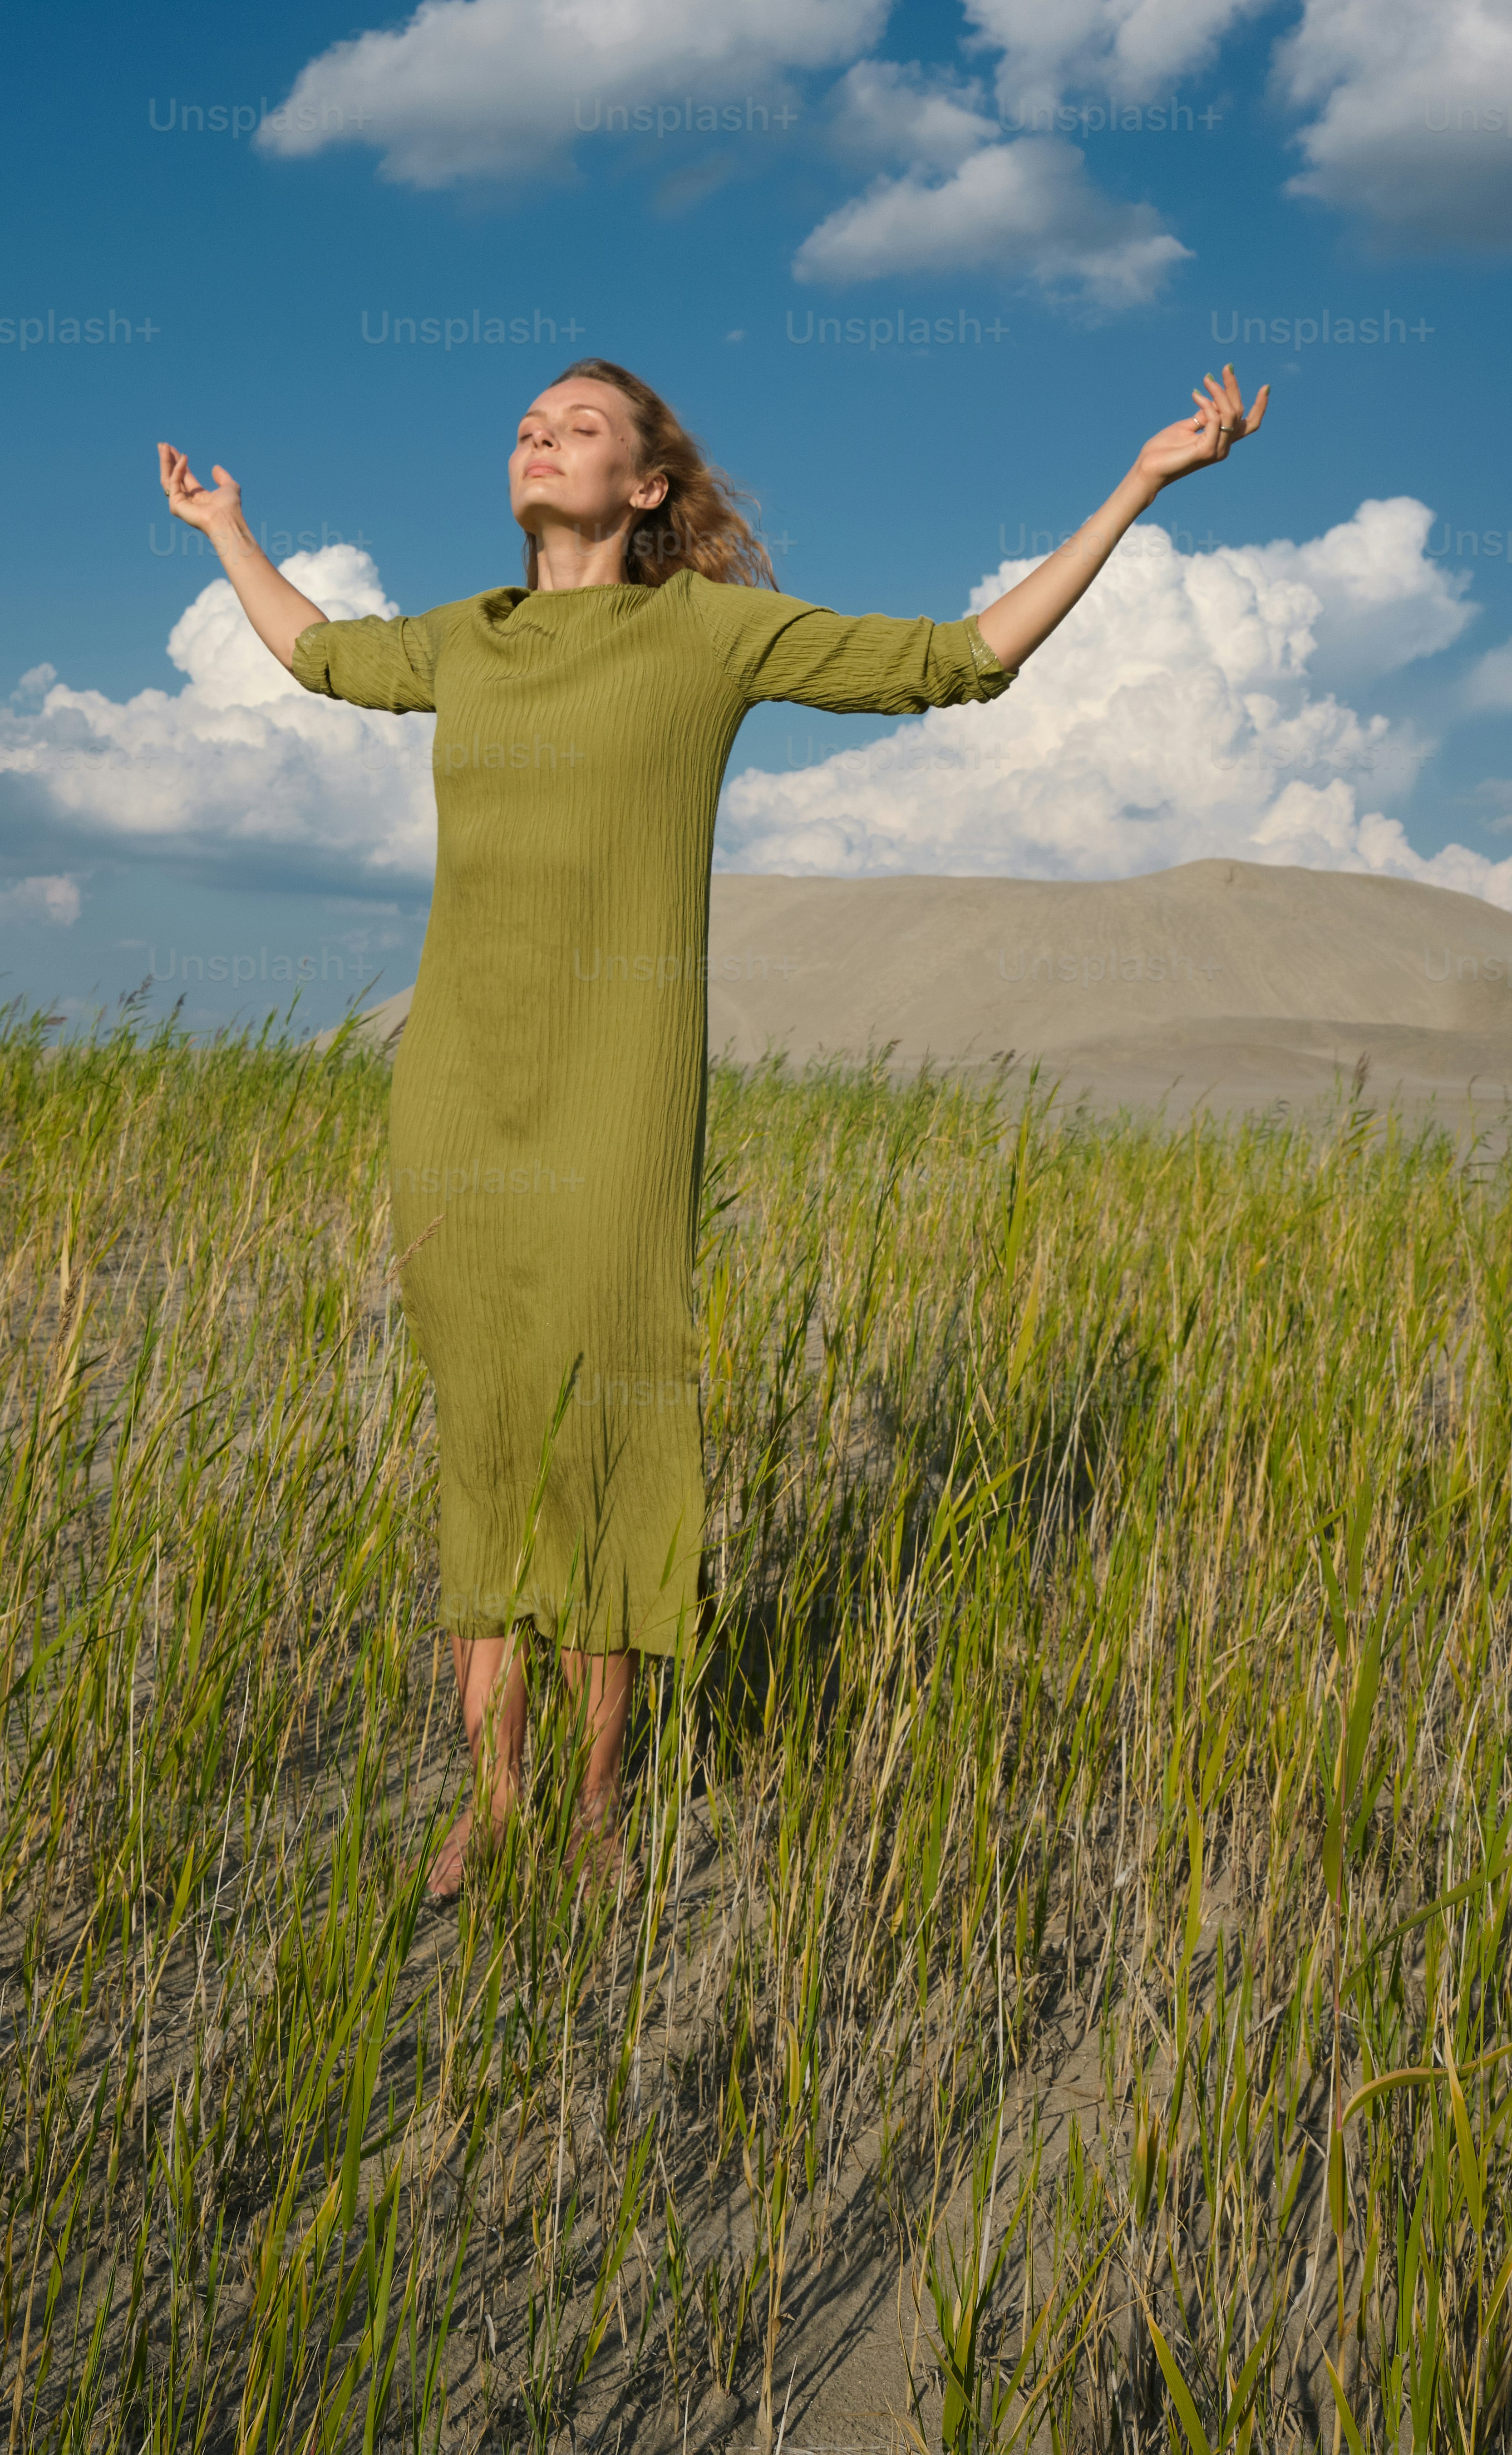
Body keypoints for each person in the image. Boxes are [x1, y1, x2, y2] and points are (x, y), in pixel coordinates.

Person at [157, 355, 1266, 1896]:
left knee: (604, 1424)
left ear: (649, 487)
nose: (541, 434)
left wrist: (1139, 489)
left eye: (583, 425)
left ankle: (598, 1808)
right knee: (484, 1427)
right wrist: (225, 532)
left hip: (619, 1081)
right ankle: (488, 1798)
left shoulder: (708, 632)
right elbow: (318, 656)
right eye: (529, 421)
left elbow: (961, 658)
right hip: (457, 1085)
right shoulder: (460, 646)